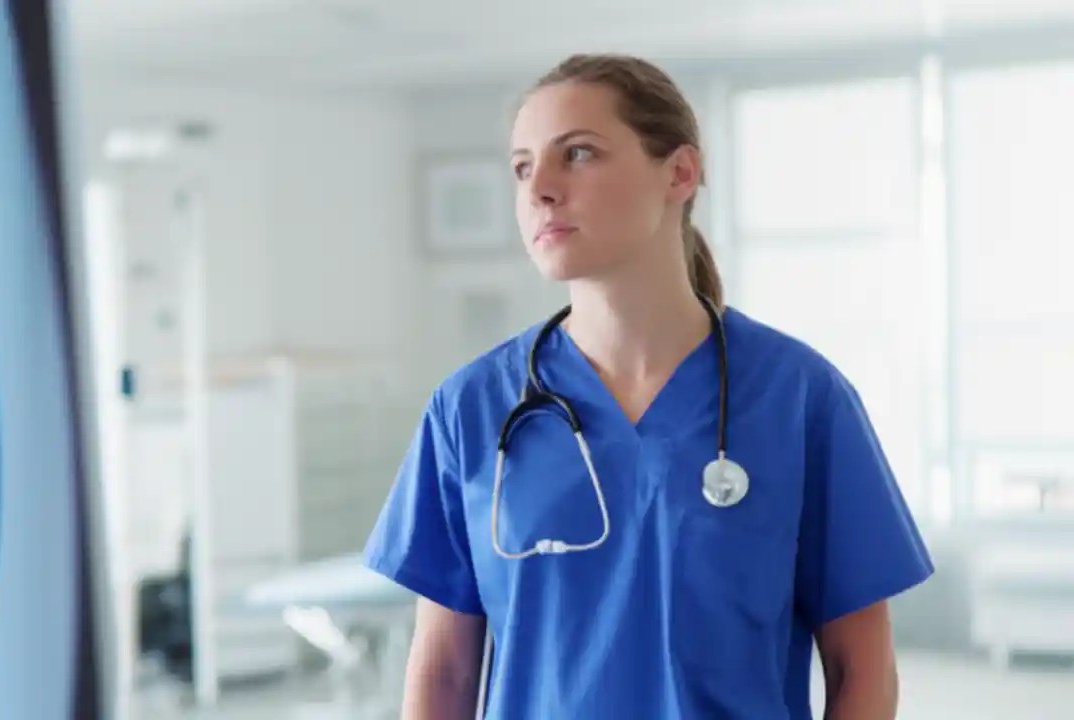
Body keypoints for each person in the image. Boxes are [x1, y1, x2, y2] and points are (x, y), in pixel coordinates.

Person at [362, 54, 934, 719]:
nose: (539, 188)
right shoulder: (472, 409)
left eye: (577, 154)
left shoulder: (800, 399)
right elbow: (443, 676)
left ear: (681, 172)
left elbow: (862, 668)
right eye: (522, 167)